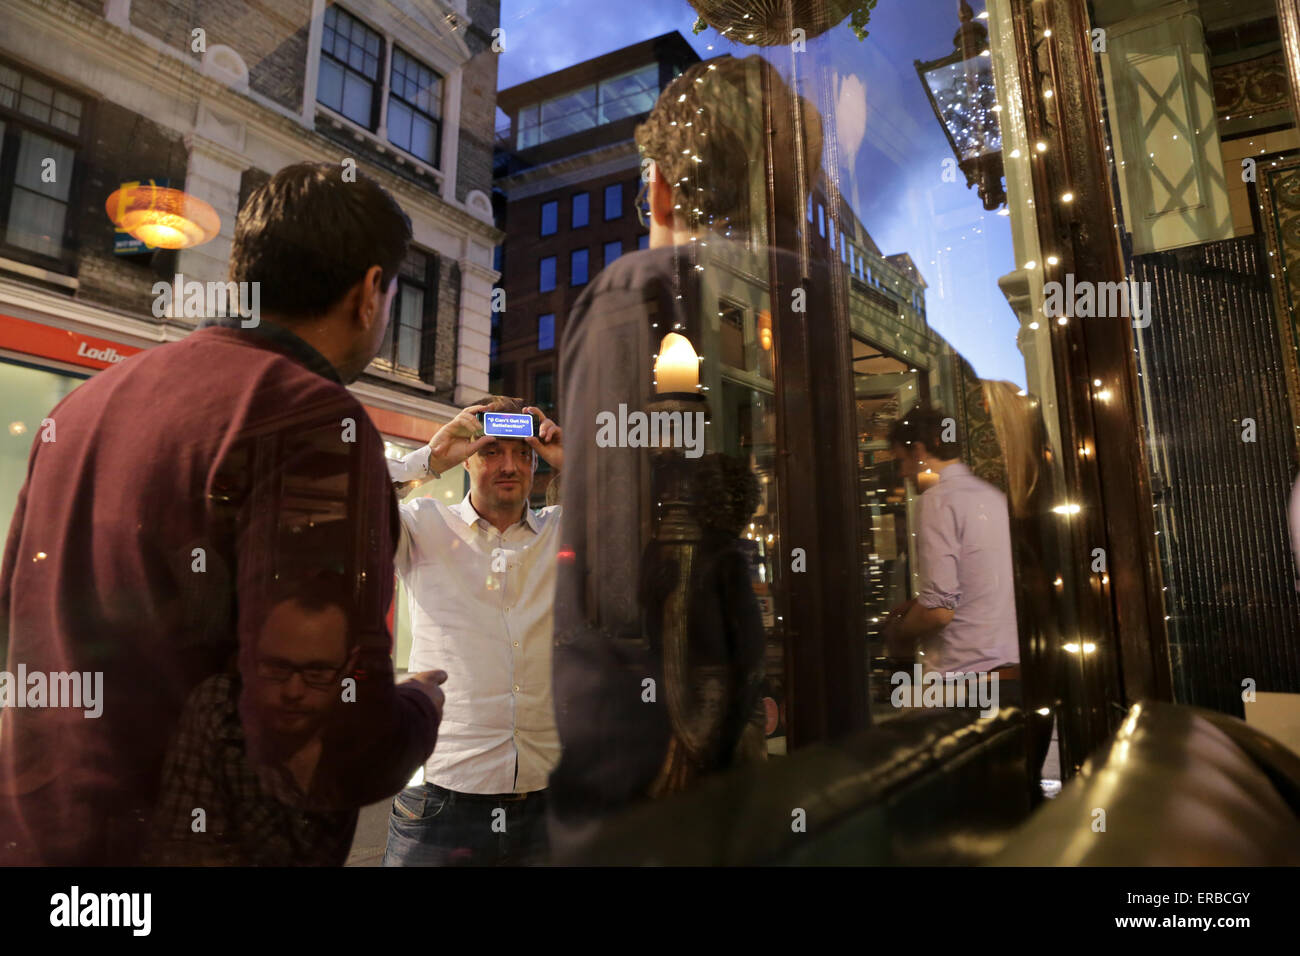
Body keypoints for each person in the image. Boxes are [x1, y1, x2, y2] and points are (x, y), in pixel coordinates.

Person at [0, 162, 445, 865]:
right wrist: (419, 709)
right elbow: (322, 743)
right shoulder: (313, 419)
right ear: (369, 294)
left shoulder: (82, 406)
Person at [547, 54, 823, 860]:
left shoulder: (643, 294)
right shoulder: (803, 305)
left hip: (654, 794)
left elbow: (619, 578)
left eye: (642, 192)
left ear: (662, 188)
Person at [381, 396, 563, 866]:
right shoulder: (423, 524)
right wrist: (430, 459)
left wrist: (575, 464)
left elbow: (640, 519)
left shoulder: (561, 531)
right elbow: (349, 506)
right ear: (467, 458)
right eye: (490, 450)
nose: (510, 465)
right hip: (444, 803)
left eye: (522, 453)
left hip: (547, 803)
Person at [146, 574, 363, 865]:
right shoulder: (220, 708)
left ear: (349, 664)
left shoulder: (356, 718)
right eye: (277, 668)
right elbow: (182, 846)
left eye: (317, 673)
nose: (293, 691)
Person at [882, 402, 1021, 707]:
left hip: (962, 684)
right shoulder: (994, 498)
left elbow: (938, 612)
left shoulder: (936, 501)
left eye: (901, 461)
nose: (902, 473)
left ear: (919, 451)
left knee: (896, 732)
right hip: (1010, 675)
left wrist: (898, 632)